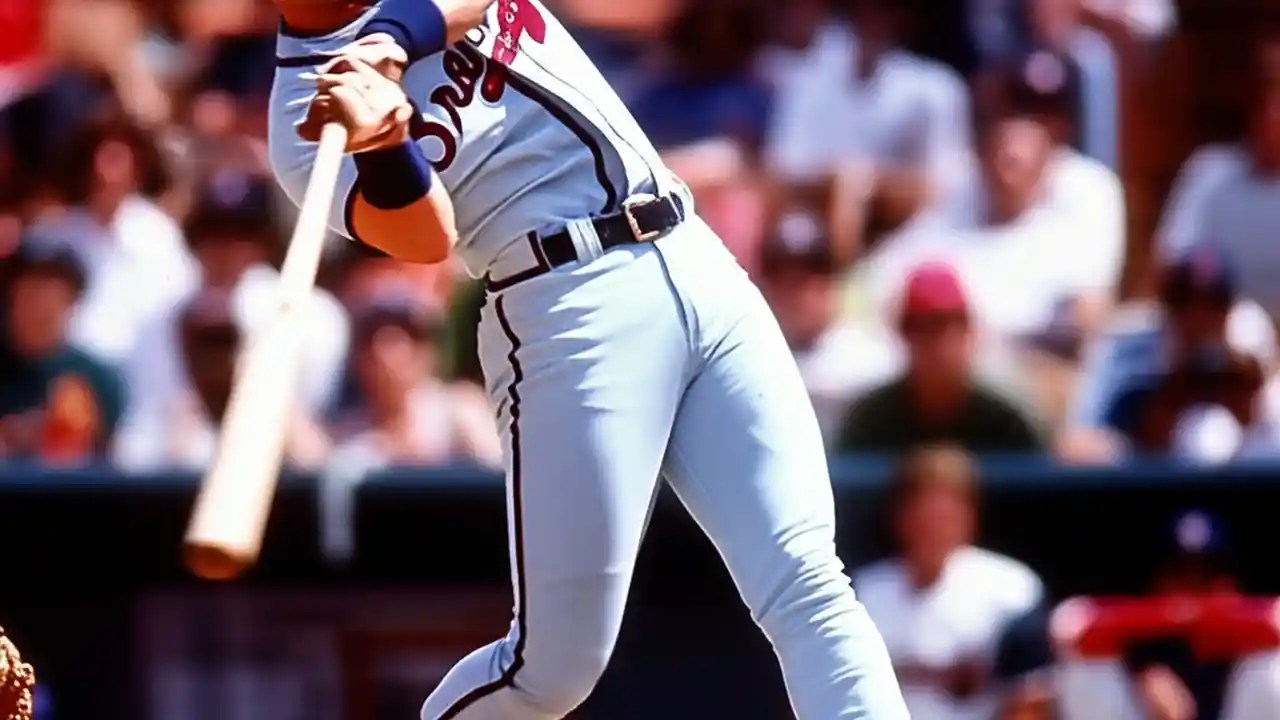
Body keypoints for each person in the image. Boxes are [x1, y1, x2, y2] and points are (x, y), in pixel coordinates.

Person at [269, 2, 906, 720]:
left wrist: (389, 41)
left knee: (807, 580)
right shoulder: (300, 122)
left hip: (689, 247)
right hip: (566, 305)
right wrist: (386, 141)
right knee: (549, 672)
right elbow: (424, 237)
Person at [113, 172, 349, 469]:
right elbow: (139, 440)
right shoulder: (159, 320)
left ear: (264, 241)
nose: (225, 249)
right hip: (177, 479)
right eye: (213, 234)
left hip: (283, 473)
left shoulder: (310, 311)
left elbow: (312, 429)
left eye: (241, 235)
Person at [854, 446, 1045, 720]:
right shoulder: (860, 593)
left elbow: (1031, 701)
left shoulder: (1012, 590)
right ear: (899, 517)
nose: (933, 528)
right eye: (923, 516)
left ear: (970, 517)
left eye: (945, 517)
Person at [1066, 247, 1275, 463]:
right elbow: (1080, 442)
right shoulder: (1128, 351)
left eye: (1214, 302)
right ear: (1166, 305)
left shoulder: (1250, 341)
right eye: (1183, 300)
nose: (1198, 316)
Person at [839, 262, 1043, 454]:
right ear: (904, 334)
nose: (940, 343)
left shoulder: (1005, 417)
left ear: (970, 332)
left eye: (953, 324)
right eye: (923, 327)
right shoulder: (873, 420)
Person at [1154, 35, 1280, 320]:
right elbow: (1169, 269)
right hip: (1219, 338)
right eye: (1265, 96)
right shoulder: (1208, 173)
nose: (1273, 111)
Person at [758, 211, 898, 446]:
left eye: (810, 274)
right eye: (782, 276)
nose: (796, 290)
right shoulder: (753, 353)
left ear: (833, 278)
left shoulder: (873, 358)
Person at [329, 297, 501, 469]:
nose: (384, 353)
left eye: (405, 338)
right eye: (374, 339)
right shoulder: (346, 431)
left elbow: (502, 474)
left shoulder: (458, 412)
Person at [0, 241, 123, 463]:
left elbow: (107, 459)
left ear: (72, 303)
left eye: (53, 295)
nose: (41, 305)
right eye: (32, 291)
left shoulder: (97, 378)